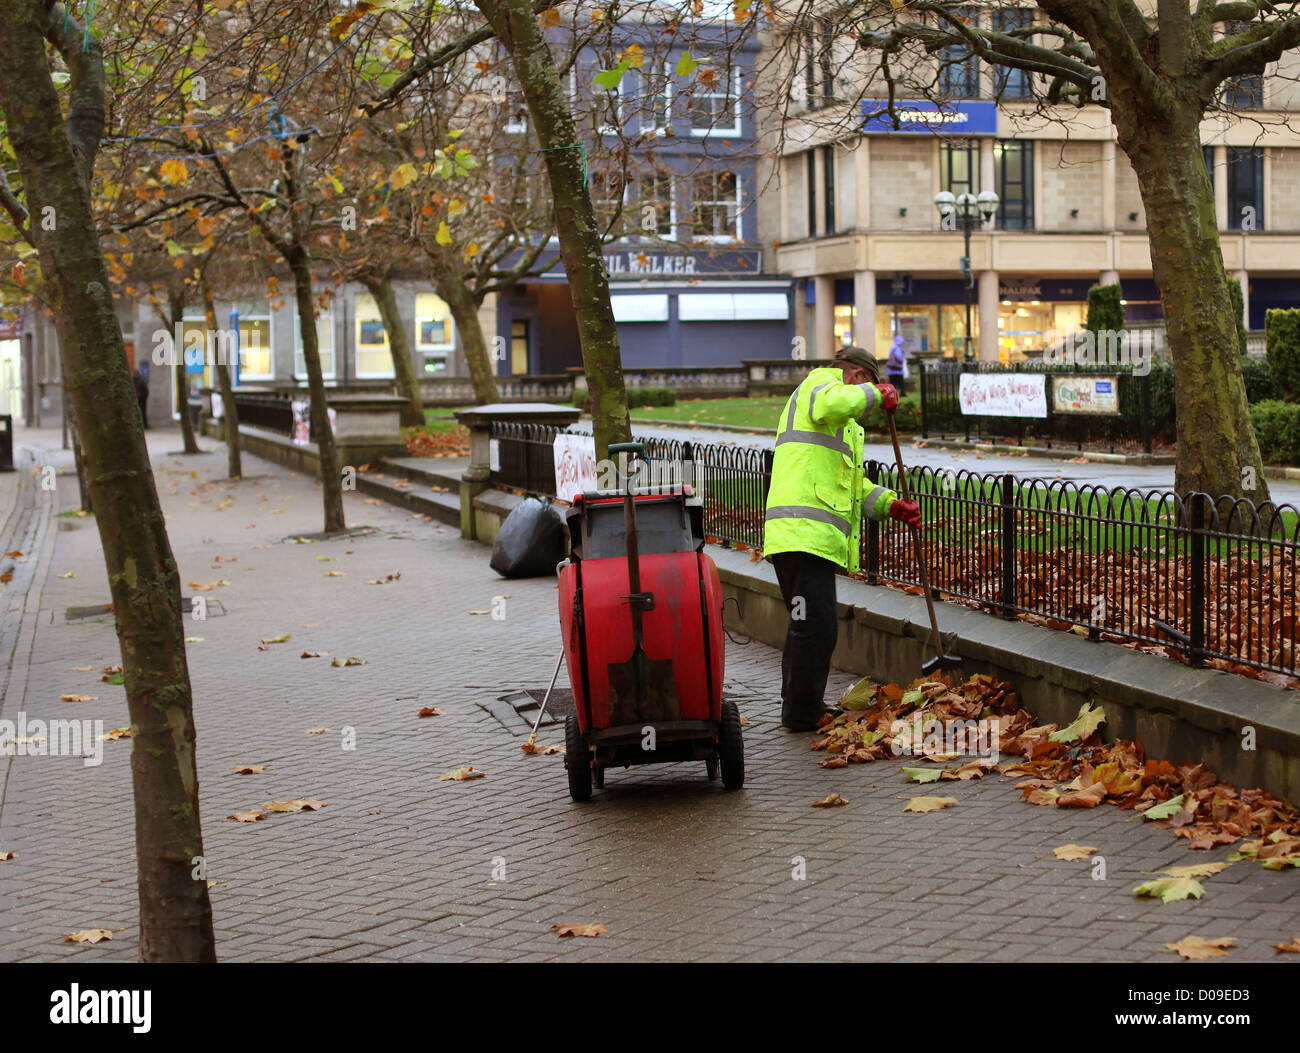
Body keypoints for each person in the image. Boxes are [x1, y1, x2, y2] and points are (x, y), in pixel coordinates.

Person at [763, 346, 921, 732]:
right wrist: (878, 393)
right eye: (867, 387)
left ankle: (800, 706)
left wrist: (888, 504)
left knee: (809, 623)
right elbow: (830, 405)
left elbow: (853, 488)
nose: (867, 404)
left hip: (810, 539)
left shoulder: (847, 428)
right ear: (854, 376)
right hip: (800, 534)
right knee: (814, 624)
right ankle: (802, 712)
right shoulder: (822, 383)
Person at [132, 364, 150, 430]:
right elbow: (146, 389)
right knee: (143, 412)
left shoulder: (131, 380)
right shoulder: (141, 380)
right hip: (142, 398)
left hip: (135, 398)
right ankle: (145, 425)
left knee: (136, 412)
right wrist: (145, 396)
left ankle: (136, 426)